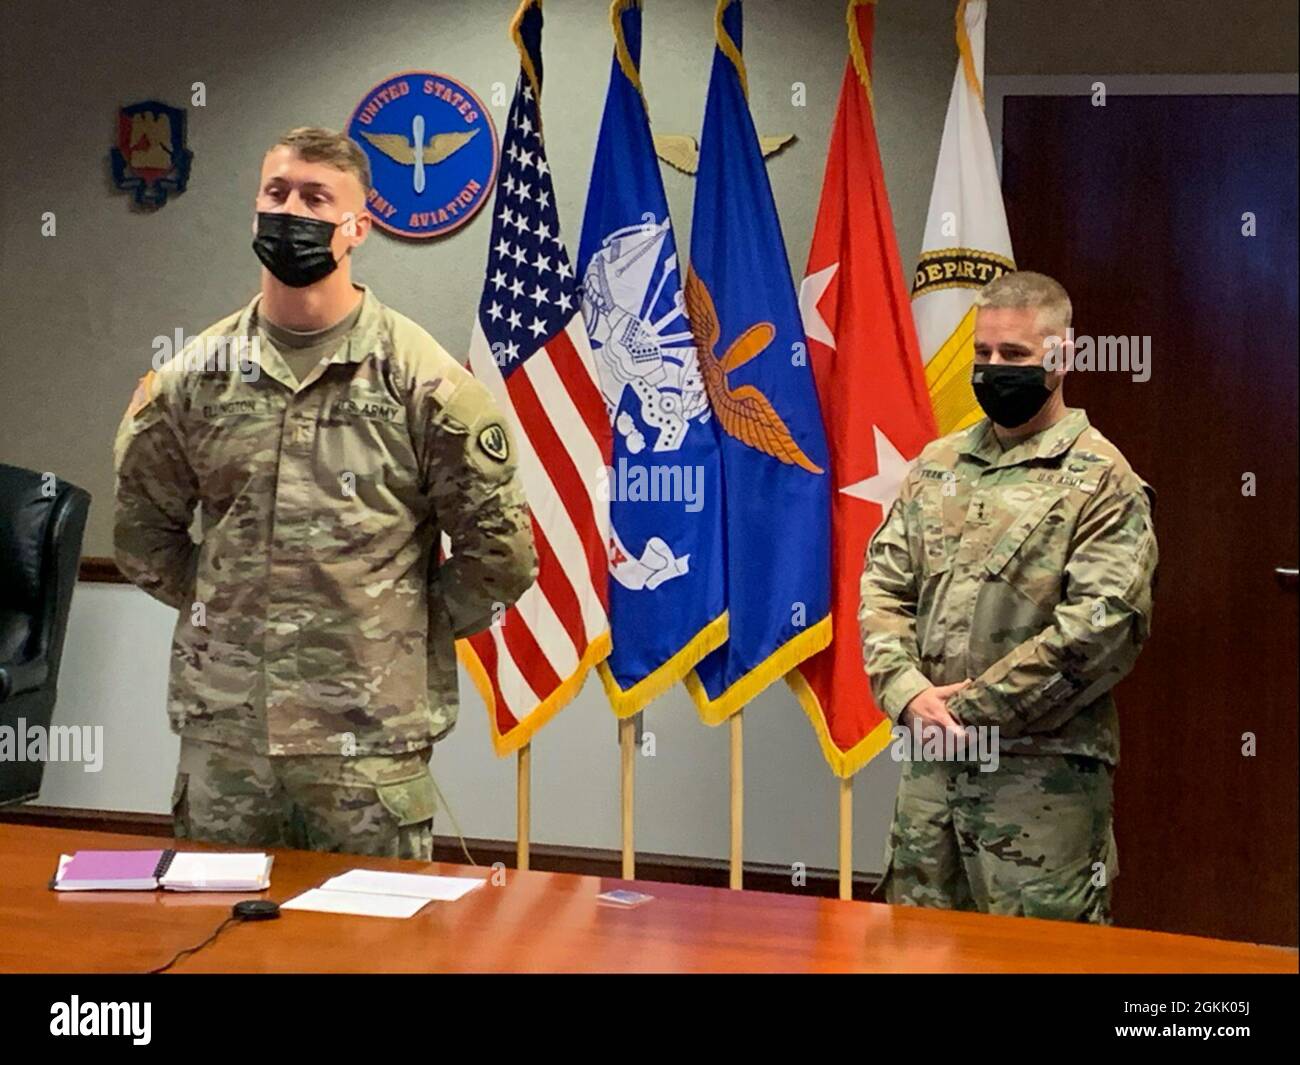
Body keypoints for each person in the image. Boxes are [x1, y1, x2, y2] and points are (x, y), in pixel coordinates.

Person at [113, 127, 537, 860]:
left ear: (358, 226)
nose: (292, 211)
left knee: (371, 955)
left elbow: (499, 556)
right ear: (254, 211)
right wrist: (233, 603)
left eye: (316, 197)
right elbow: (143, 537)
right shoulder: (193, 377)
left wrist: (397, 625)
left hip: (367, 743)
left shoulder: (422, 382)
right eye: (277, 193)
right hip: (227, 738)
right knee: (214, 948)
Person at [859, 270, 1157, 922]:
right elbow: (883, 585)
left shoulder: (1103, 480)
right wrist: (906, 691)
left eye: (1015, 356)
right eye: (984, 354)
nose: (995, 369)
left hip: (1037, 792)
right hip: (931, 785)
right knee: (915, 953)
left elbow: (1100, 631)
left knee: (1040, 965)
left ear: (1062, 356)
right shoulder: (936, 465)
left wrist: (967, 710)